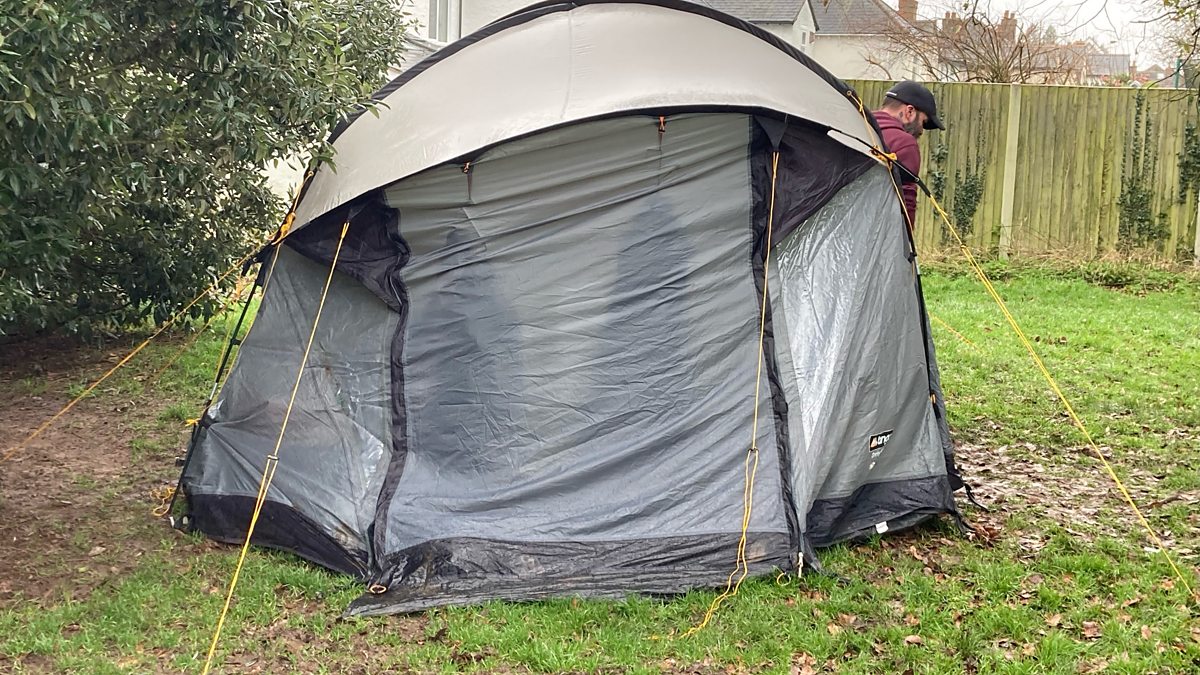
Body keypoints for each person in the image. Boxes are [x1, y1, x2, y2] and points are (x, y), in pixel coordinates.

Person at [872, 80, 945, 229]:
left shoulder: (856, 126)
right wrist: (905, 247)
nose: (921, 131)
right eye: (923, 122)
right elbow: (905, 205)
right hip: (878, 237)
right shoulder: (904, 143)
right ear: (910, 111)